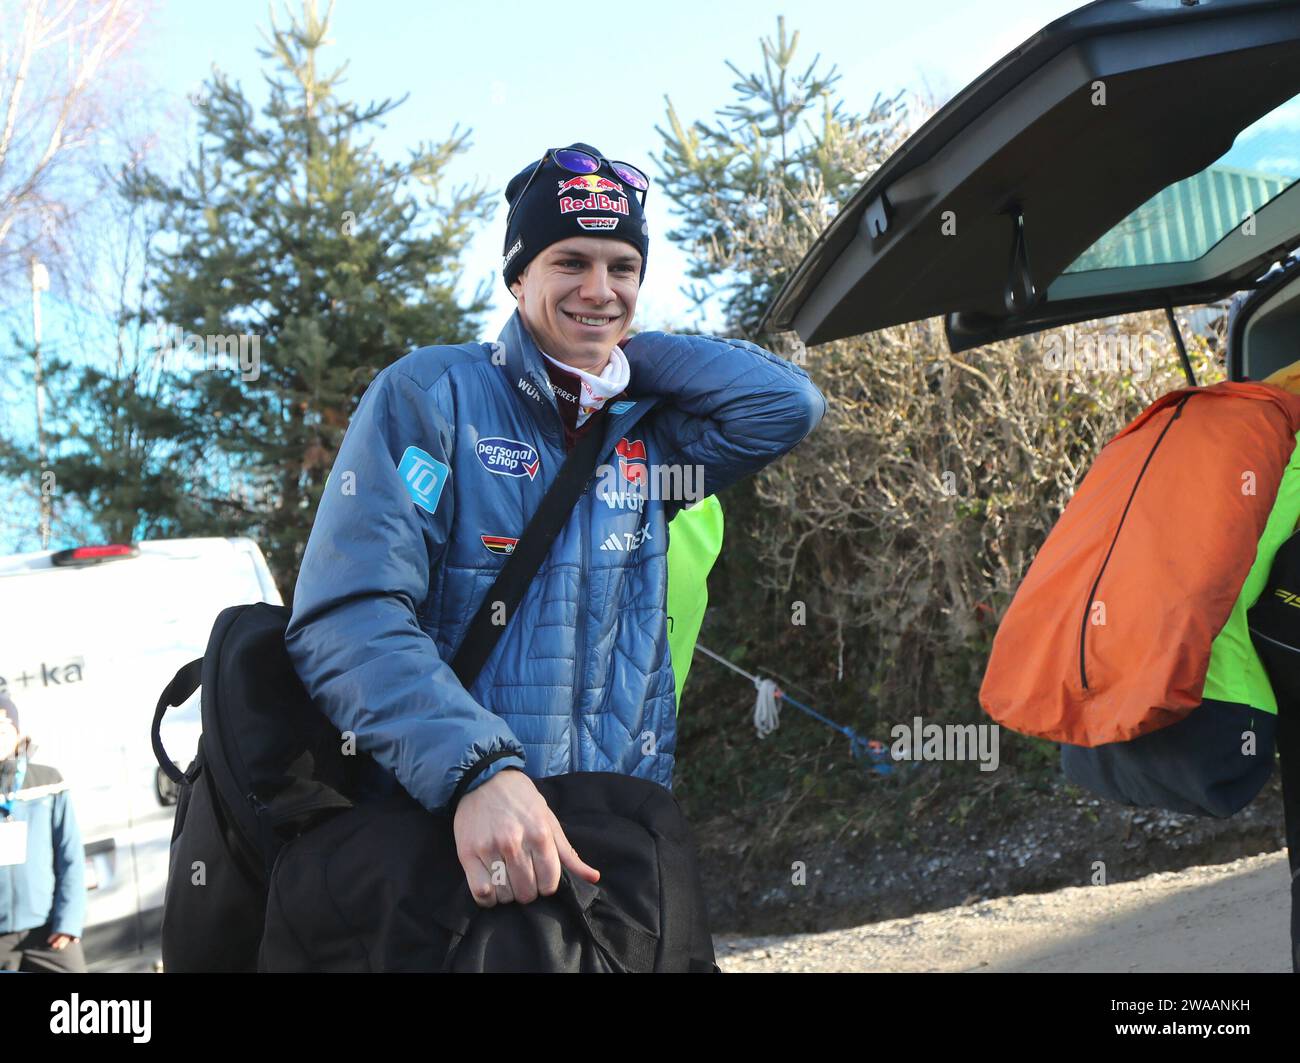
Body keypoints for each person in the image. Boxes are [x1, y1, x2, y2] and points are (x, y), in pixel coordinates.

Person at [286, 141, 825, 912]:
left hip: (609, 855)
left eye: (623, 268)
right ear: (517, 276)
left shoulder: (646, 436)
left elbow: (786, 406)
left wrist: (626, 350)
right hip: (457, 848)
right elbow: (347, 617)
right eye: (570, 262)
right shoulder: (433, 397)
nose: (599, 288)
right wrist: (478, 770)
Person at [0, 694, 86, 973]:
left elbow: (70, 854)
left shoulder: (48, 781)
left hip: (48, 930)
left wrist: (69, 921)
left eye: (3, 729)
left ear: (17, 732)